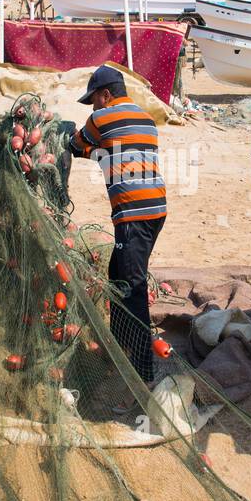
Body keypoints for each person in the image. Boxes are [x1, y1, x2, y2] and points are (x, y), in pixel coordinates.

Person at [68, 65, 167, 382]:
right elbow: (112, 155)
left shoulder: (101, 119)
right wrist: (97, 150)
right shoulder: (146, 120)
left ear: (105, 94)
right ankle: (119, 349)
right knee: (117, 275)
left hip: (133, 215)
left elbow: (76, 146)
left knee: (133, 289)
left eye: (94, 99)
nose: (93, 106)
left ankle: (141, 373)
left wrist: (76, 138)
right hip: (157, 211)